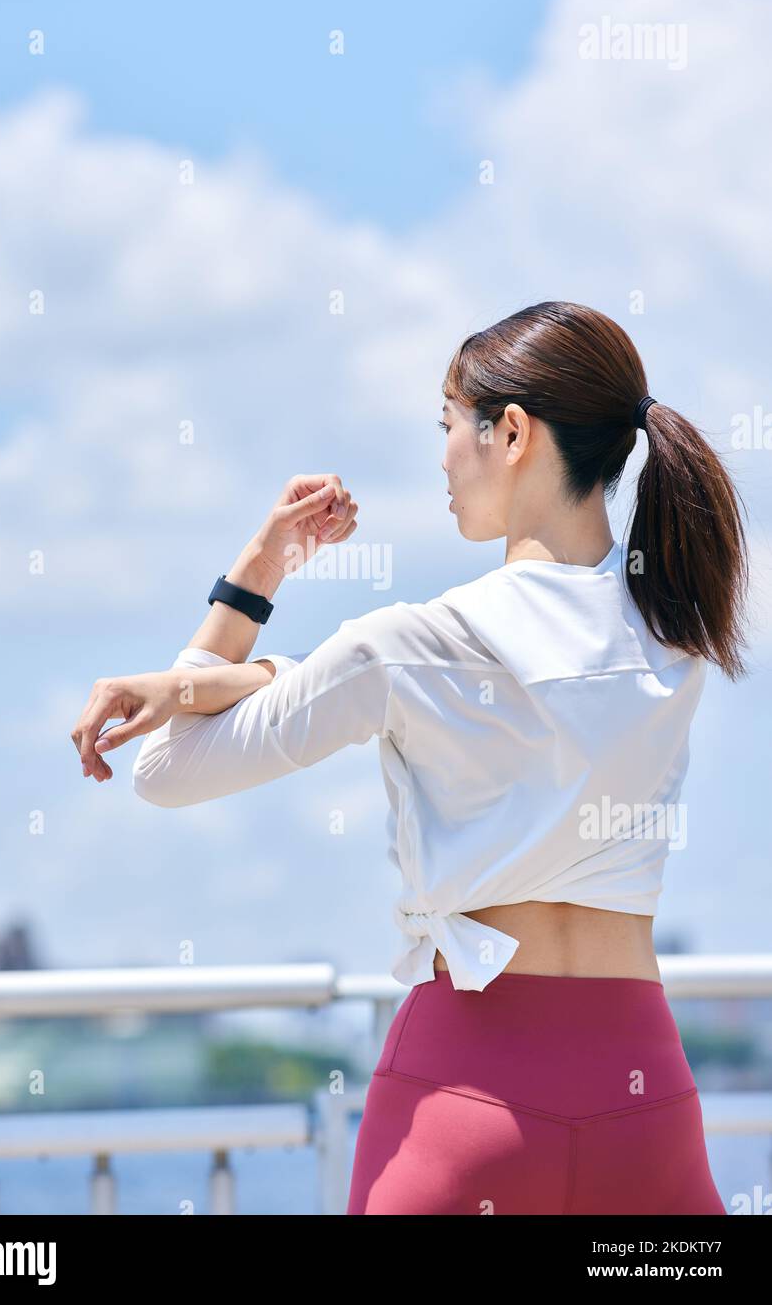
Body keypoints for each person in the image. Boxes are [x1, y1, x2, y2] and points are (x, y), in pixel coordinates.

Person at [71, 300, 750, 1215]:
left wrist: (259, 571)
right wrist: (283, 674)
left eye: (445, 425)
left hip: (464, 1103)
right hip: (642, 1108)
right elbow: (546, 666)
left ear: (510, 433)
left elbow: (165, 771)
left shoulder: (408, 646)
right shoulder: (680, 632)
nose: (439, 457)